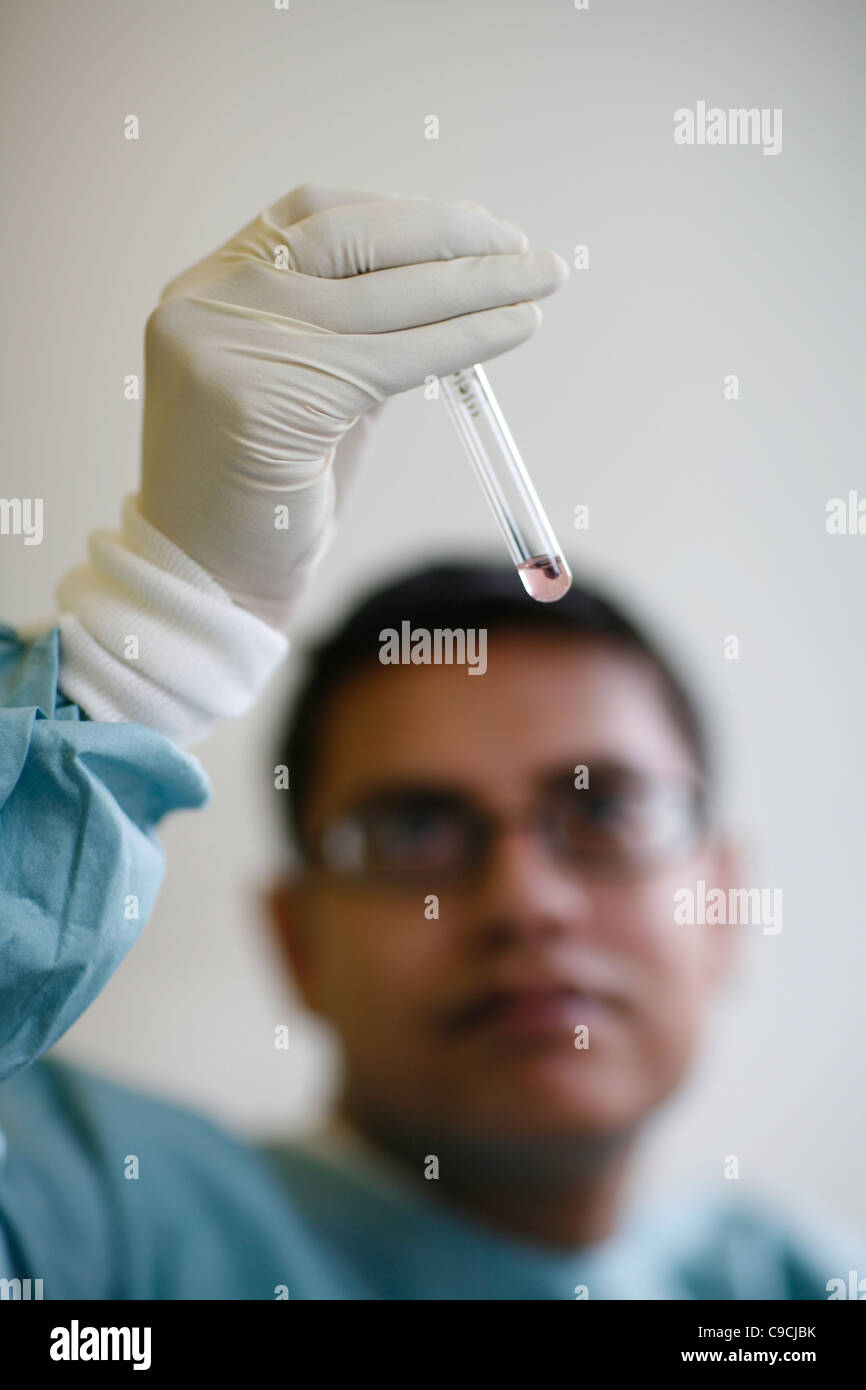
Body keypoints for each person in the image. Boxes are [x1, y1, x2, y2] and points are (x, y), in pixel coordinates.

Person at [0, 186, 858, 1300]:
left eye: (601, 813)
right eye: (412, 829)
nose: (523, 902)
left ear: (723, 900)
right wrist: (147, 639)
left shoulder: (792, 1287)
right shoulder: (88, 1219)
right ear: (295, 937)